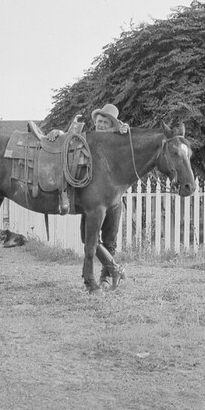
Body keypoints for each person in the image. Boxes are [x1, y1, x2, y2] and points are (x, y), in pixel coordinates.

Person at [83, 103, 129, 284]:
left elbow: (131, 140)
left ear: (111, 125)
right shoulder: (89, 139)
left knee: (110, 239)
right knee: (86, 236)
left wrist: (124, 129)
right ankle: (114, 269)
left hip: (114, 197)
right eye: (99, 121)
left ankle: (105, 276)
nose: (101, 125)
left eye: (105, 122)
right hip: (92, 197)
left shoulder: (119, 141)